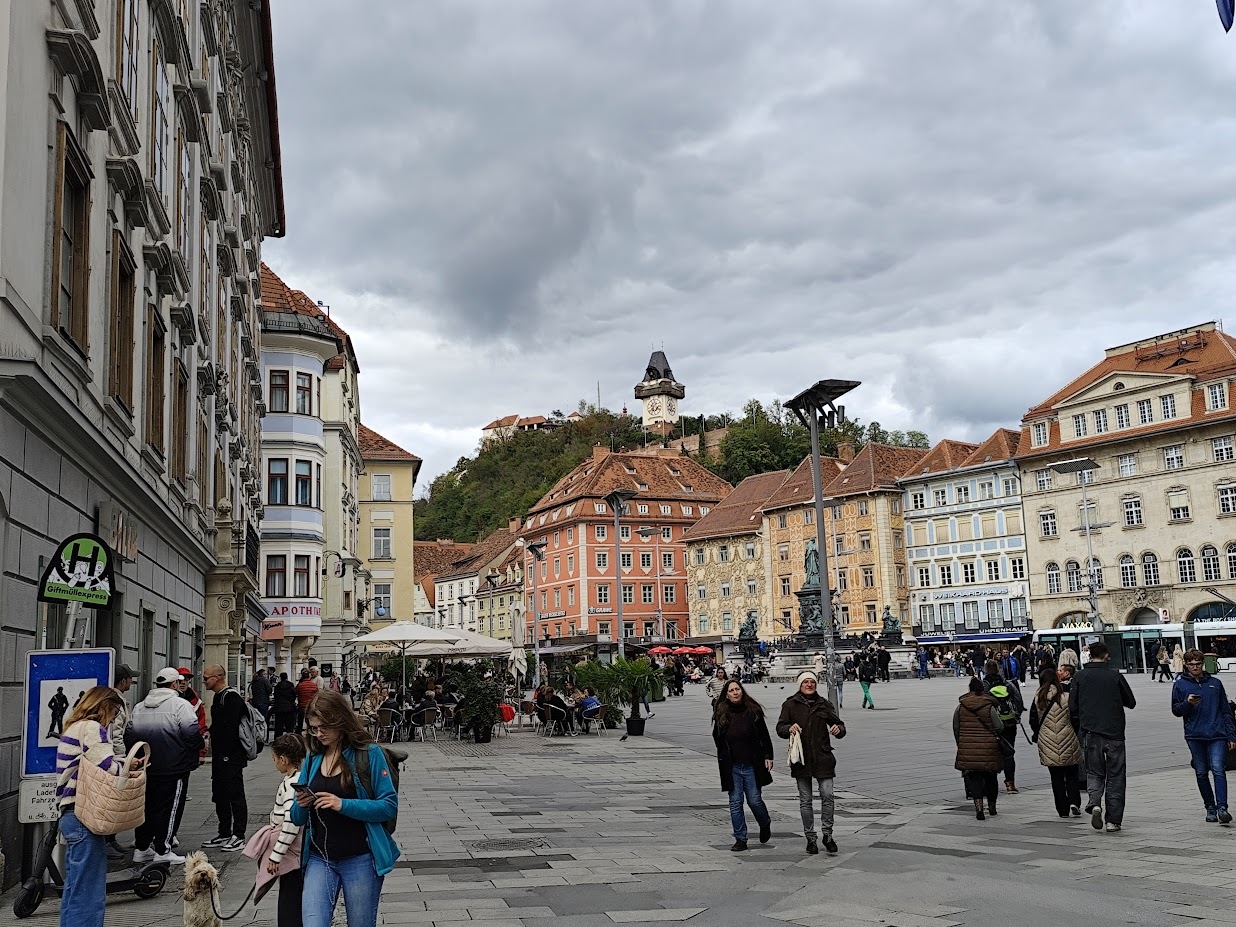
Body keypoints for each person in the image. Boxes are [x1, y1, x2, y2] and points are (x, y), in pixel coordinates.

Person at [291, 690, 399, 927]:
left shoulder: (369, 754)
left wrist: (342, 804)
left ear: (340, 721)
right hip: (320, 859)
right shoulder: (314, 757)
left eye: (324, 727)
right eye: (313, 728)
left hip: (360, 858)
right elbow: (297, 818)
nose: (319, 734)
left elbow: (388, 806)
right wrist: (300, 803)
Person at [55, 685, 145, 927]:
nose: (114, 719)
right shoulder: (93, 728)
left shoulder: (74, 726)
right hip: (84, 813)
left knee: (76, 886)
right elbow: (106, 766)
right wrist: (128, 767)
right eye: (114, 712)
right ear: (104, 706)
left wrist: (123, 761)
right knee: (89, 890)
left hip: (70, 813)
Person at [128, 667, 203, 865]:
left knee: (147, 807)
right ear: (174, 684)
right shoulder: (180, 705)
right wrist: (197, 749)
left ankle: (142, 847)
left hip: (147, 765)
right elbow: (192, 734)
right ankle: (163, 849)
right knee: (169, 808)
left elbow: (131, 736)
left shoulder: (139, 706)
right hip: (174, 766)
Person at [776, 671, 845, 855]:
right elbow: (780, 728)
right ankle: (811, 837)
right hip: (802, 760)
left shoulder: (824, 704)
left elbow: (840, 725)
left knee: (828, 796)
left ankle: (828, 835)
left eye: (812, 682)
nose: (809, 685)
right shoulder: (790, 704)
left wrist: (838, 729)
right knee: (805, 801)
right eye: (805, 682)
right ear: (800, 685)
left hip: (823, 758)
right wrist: (788, 728)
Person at [1070, 641, 1136, 833]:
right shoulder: (1114, 676)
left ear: (1089, 655)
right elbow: (1131, 702)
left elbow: (1072, 707)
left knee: (1094, 771)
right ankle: (1113, 821)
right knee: (1115, 776)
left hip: (1090, 732)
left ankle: (1095, 802)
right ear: (1106, 655)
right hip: (1114, 733)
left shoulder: (1080, 676)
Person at [1170, 648, 1236, 823]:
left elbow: (1226, 711)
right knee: (1201, 772)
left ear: (1202, 664)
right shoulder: (1180, 685)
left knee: (1218, 770)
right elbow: (1176, 710)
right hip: (1195, 735)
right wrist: (1188, 703)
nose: (1195, 667)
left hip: (1217, 733)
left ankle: (1222, 808)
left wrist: (1231, 735)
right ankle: (1210, 807)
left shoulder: (1215, 683)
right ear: (1186, 665)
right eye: (1191, 664)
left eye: (1198, 664)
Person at [712, 680, 774, 852]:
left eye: (737, 689)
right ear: (727, 694)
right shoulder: (722, 713)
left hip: (751, 765)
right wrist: (725, 753)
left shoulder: (753, 711)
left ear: (742, 691)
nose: (735, 692)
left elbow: (764, 736)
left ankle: (764, 822)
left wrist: (768, 756)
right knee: (735, 802)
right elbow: (716, 736)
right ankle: (740, 838)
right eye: (731, 690)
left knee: (754, 801)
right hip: (732, 766)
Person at [201, 663, 248, 852]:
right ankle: (224, 833)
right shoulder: (218, 697)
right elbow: (219, 725)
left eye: (207, 678)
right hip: (221, 755)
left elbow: (231, 728)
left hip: (231, 756)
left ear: (218, 677)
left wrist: (227, 752)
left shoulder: (231, 698)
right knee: (219, 794)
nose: (204, 681)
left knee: (235, 794)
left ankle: (239, 835)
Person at [264, 734, 306, 927]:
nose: (274, 764)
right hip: (296, 849)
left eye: (274, 759)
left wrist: (276, 854)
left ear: (283, 759)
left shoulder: (291, 785)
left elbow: (291, 822)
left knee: (289, 898)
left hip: (291, 850)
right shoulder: (298, 777)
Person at [1029, 667, 1082, 818]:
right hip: (1068, 737)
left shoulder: (1038, 697)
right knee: (1072, 773)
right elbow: (1076, 717)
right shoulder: (1066, 696)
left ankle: (1062, 809)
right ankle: (1074, 802)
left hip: (1047, 740)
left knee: (1056, 777)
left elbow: (1033, 720)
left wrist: (1038, 733)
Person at [952, 677, 1004, 820]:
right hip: (989, 748)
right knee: (991, 778)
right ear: (982, 689)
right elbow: (999, 726)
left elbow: (956, 727)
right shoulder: (989, 705)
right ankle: (992, 806)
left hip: (968, 747)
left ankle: (979, 808)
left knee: (974, 778)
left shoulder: (961, 706)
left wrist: (961, 743)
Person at [103, 664, 139, 859]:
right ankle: (107, 840)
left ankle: (111, 839)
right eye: (130, 679)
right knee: (113, 800)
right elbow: (115, 733)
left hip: (115, 757)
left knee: (115, 801)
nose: (132, 682)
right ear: (123, 680)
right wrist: (122, 758)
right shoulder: (115, 701)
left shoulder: (118, 700)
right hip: (115, 758)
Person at [982, 659, 1024, 793]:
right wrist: (1016, 715)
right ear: (999, 669)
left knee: (991, 753)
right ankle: (1010, 784)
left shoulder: (984, 686)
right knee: (1009, 753)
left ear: (985, 670)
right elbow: (1018, 701)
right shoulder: (1008, 684)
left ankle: (991, 785)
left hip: (992, 725)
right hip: (1009, 723)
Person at [273, 672, 298, 737]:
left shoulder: (277, 686)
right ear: (286, 677)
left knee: (279, 725)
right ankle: (289, 738)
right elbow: (294, 695)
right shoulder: (291, 685)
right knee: (289, 725)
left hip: (279, 707)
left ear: (280, 678)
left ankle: (278, 738)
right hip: (289, 707)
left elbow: (275, 696)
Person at [250, 667, 273, 740]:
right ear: (262, 675)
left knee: (256, 720)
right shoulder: (265, 680)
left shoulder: (254, 681)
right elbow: (269, 690)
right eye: (265, 674)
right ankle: (264, 736)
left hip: (255, 702)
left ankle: (256, 735)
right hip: (263, 702)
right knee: (264, 719)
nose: (266, 675)